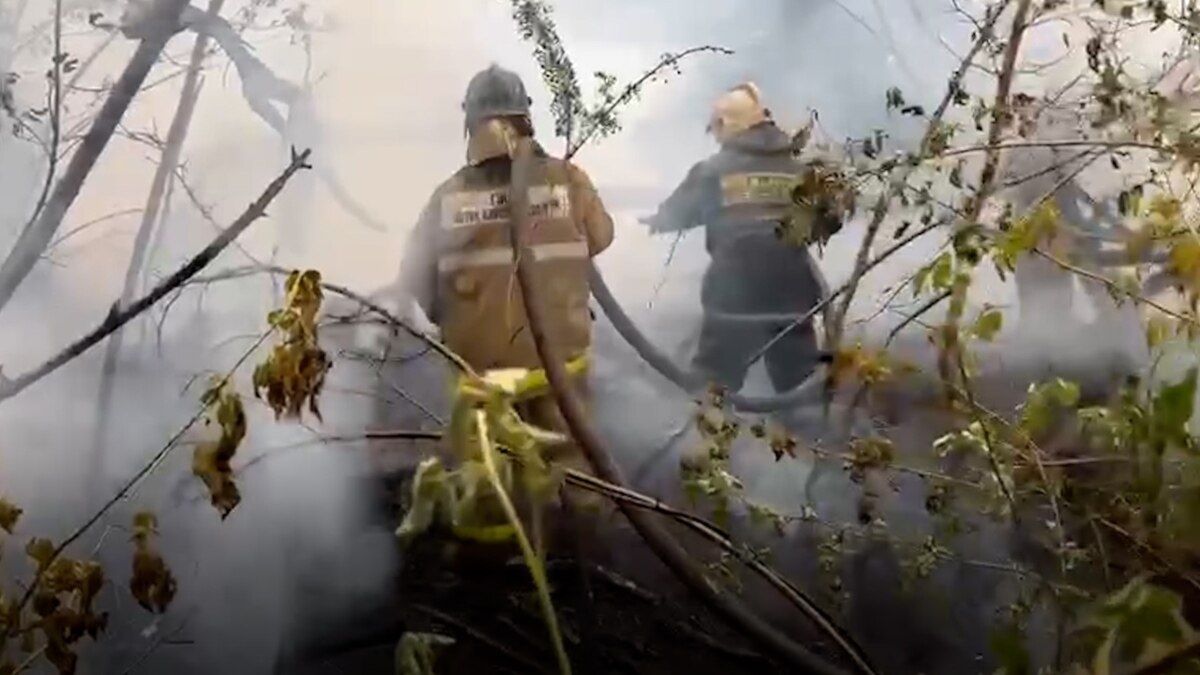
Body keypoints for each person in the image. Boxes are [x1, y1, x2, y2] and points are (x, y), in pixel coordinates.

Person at [391, 64, 615, 519]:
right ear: (525, 119)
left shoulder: (448, 195)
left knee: (489, 466)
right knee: (573, 459)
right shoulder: (567, 180)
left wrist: (453, 316)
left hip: (481, 372)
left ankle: (491, 556)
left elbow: (412, 270)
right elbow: (601, 237)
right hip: (559, 361)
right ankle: (584, 551)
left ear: (471, 124)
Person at [640, 82, 840, 395]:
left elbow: (674, 215)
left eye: (715, 129)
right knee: (800, 388)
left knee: (712, 387)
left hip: (733, 299)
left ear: (724, 125)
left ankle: (704, 439)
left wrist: (653, 221)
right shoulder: (801, 171)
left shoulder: (713, 170)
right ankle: (813, 438)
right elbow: (831, 219)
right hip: (792, 295)